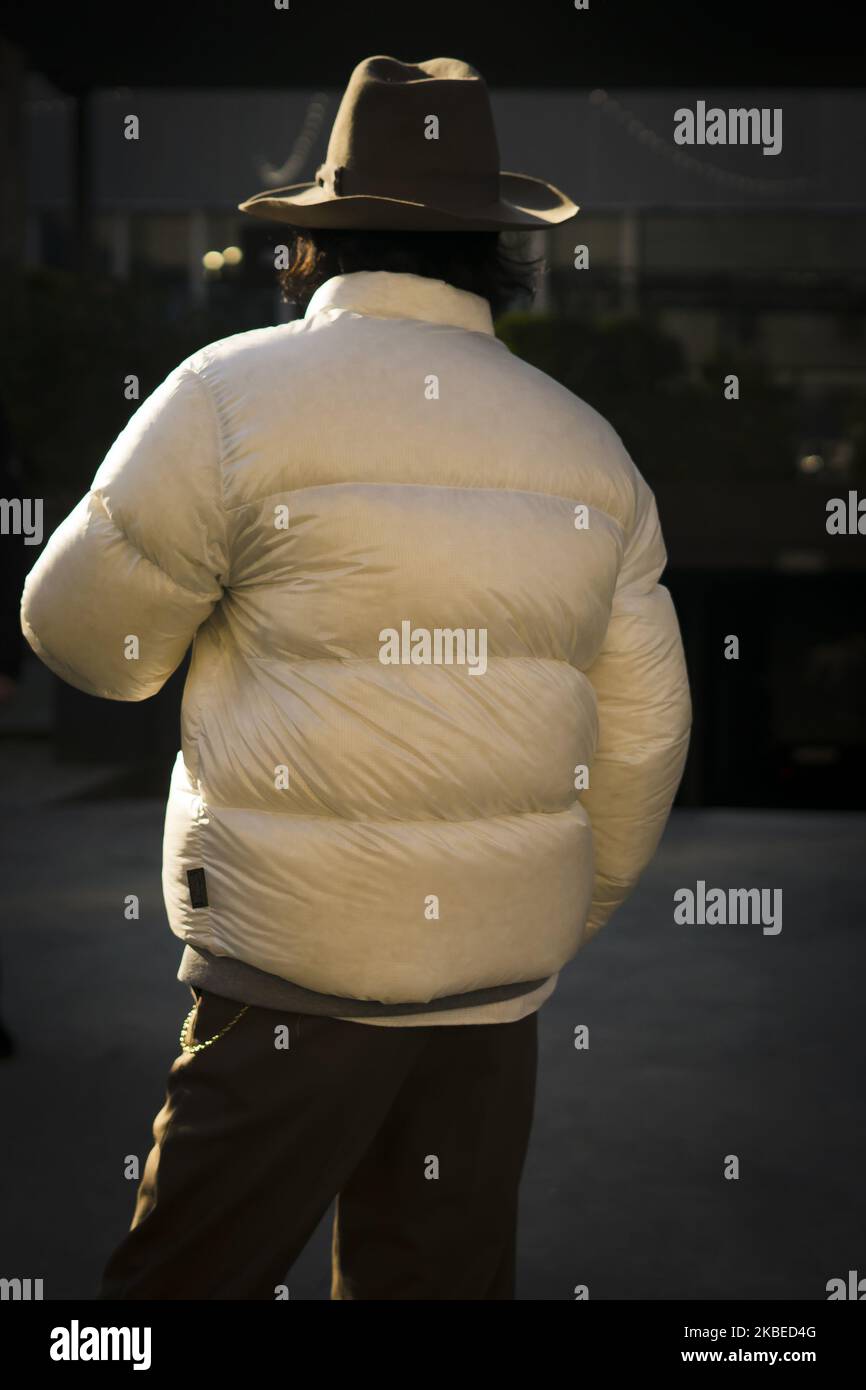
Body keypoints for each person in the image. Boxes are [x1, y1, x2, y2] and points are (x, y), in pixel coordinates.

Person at [20, 55, 691, 1300]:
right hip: (492, 997)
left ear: (310, 249)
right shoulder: (587, 444)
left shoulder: (226, 397)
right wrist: (537, 912)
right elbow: (645, 742)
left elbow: (90, 648)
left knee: (181, 1287)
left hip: (286, 976)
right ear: (498, 252)